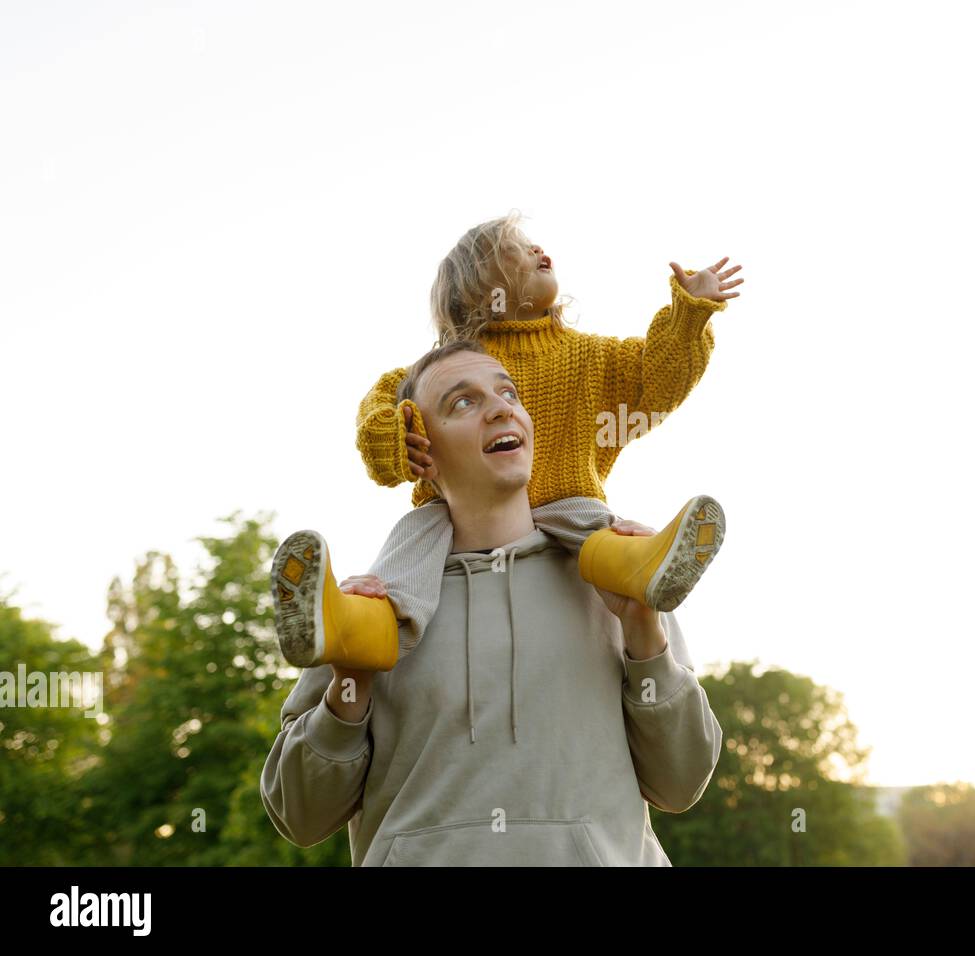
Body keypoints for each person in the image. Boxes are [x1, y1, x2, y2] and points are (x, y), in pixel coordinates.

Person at [260, 341, 724, 865]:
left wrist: (643, 630)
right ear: (422, 451)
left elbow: (681, 783)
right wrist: (352, 683)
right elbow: (300, 815)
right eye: (462, 402)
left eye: (509, 393)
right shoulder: (376, 608)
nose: (502, 407)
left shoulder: (623, 583)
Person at [278, 208, 743, 671]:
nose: (537, 250)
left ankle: (647, 565)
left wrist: (689, 315)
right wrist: (394, 439)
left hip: (568, 502)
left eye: (532, 244)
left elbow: (655, 383)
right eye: (513, 251)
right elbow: (380, 404)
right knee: (405, 558)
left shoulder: (589, 355)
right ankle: (346, 623)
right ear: (475, 288)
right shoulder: (447, 368)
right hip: (454, 517)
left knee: (602, 528)